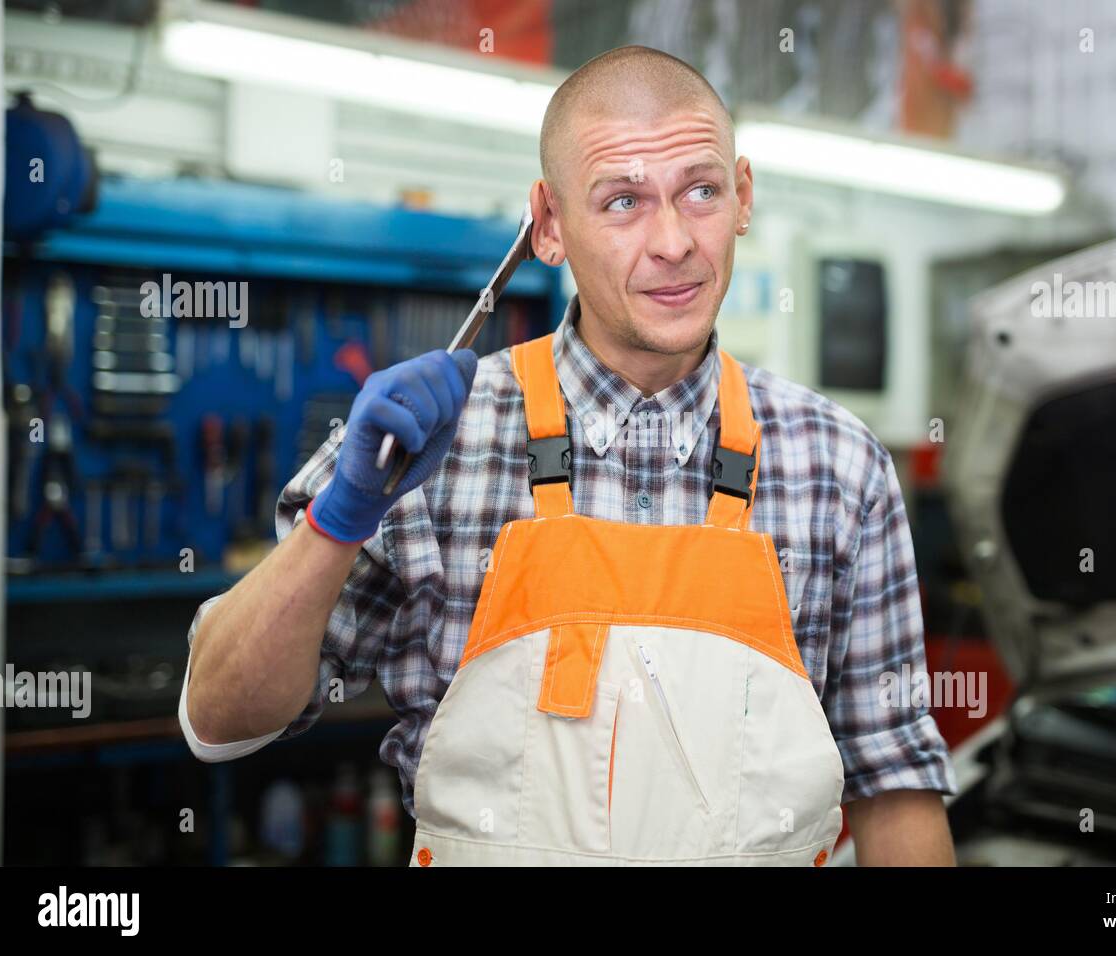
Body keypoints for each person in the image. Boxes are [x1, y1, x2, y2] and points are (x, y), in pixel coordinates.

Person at [181, 45, 958, 866]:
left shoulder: (840, 467)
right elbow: (218, 720)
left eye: (700, 190)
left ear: (743, 197)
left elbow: (895, 794)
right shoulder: (430, 447)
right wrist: (339, 519)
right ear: (548, 226)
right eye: (623, 201)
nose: (673, 242)